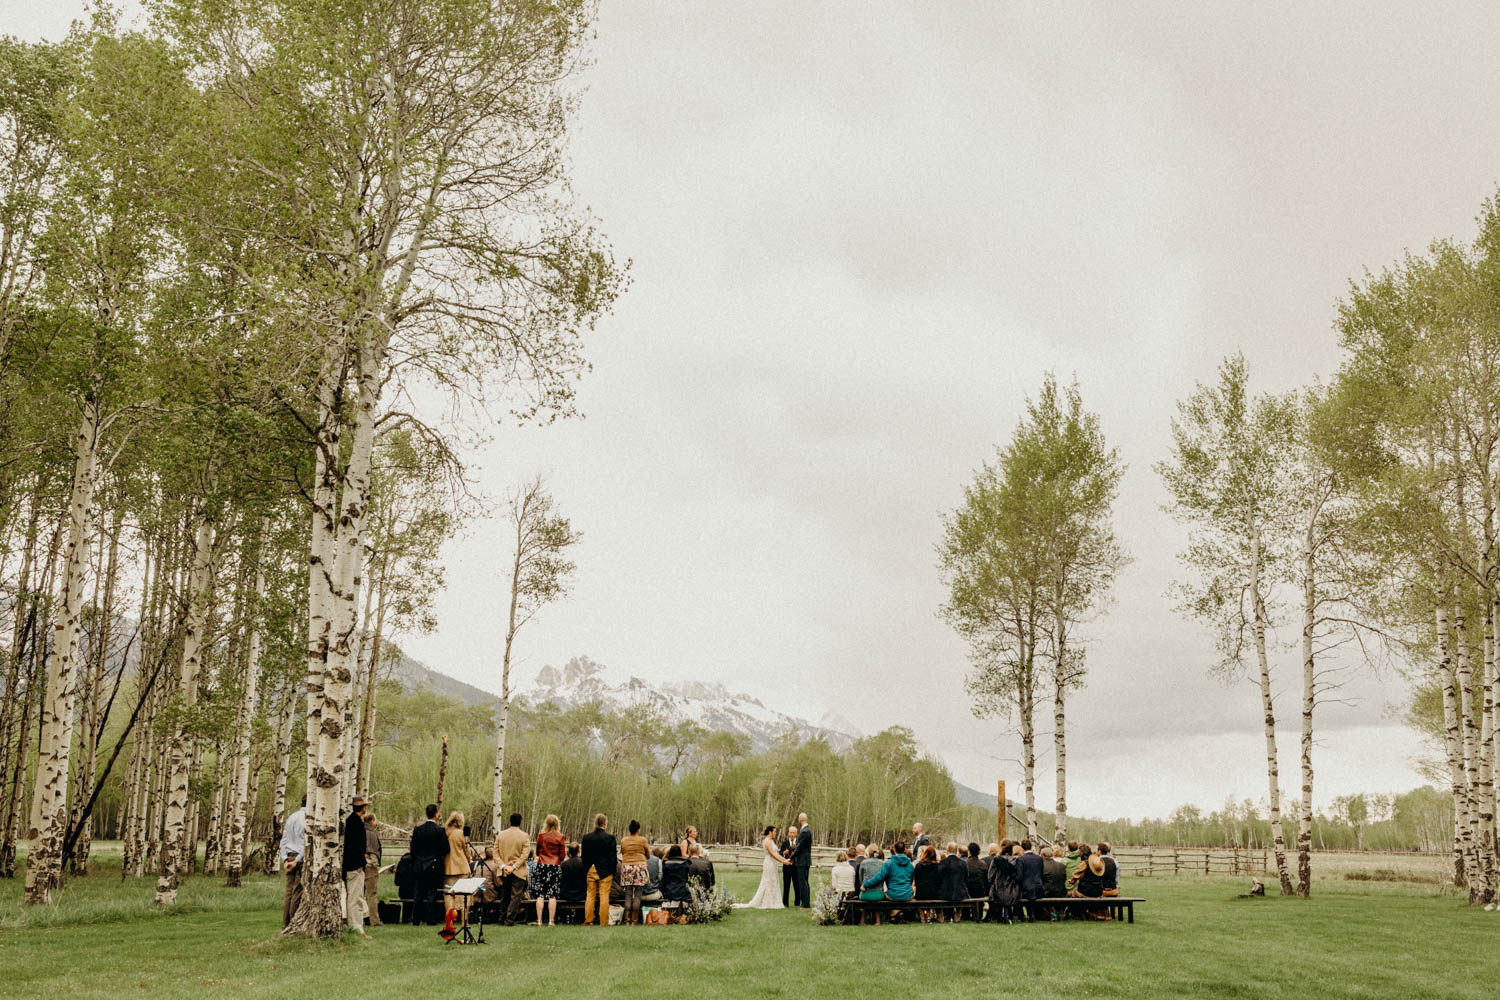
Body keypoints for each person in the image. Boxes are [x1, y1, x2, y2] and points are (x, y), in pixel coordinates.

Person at [408, 803, 449, 925]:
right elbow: (445, 848)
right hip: (433, 865)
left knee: (418, 892)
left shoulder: (418, 830)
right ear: (436, 814)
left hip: (420, 864)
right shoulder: (440, 831)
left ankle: (416, 919)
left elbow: (413, 849)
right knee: (432, 892)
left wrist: (416, 861)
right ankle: (430, 918)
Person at [493, 811, 531, 927]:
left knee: (505, 895)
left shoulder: (501, 835)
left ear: (510, 821)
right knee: (515, 896)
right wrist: (514, 867)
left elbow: (495, 853)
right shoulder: (524, 836)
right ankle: (509, 920)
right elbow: (525, 855)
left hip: (504, 870)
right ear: (520, 822)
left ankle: (502, 917)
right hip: (518, 871)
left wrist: (503, 866)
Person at [342, 796, 371, 937]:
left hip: (352, 865)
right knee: (355, 897)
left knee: (355, 896)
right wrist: (359, 863)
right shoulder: (355, 823)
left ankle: (356, 925)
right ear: (363, 807)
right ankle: (356, 927)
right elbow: (354, 846)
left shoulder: (352, 821)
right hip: (354, 866)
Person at [581, 813, 617, 926]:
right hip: (605, 871)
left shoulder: (586, 837)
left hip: (591, 868)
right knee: (604, 896)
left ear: (595, 823)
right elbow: (613, 858)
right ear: (605, 824)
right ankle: (603, 922)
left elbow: (584, 856)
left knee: (590, 895)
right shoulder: (610, 838)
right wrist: (612, 871)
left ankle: (588, 920)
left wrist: (587, 868)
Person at [532, 814, 566, 927]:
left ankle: (539, 920)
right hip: (554, 865)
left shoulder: (541, 836)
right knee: (553, 895)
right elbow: (562, 855)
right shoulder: (560, 836)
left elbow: (537, 852)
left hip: (542, 865)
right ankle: (551, 921)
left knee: (540, 894)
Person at [279, 795, 307, 927]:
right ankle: (293, 924)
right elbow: (307, 843)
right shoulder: (308, 819)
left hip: (289, 855)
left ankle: (286, 923)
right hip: (299, 857)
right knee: (297, 892)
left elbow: (283, 840)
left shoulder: (292, 817)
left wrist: (285, 859)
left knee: (289, 892)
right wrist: (297, 860)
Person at [748, 825, 791, 908]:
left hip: (773, 864)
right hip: (769, 864)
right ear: (770, 832)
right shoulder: (767, 841)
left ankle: (774, 901)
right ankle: (767, 902)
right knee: (768, 881)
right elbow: (772, 854)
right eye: (775, 831)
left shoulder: (771, 841)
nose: (775, 833)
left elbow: (776, 854)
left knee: (774, 880)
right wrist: (784, 862)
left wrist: (785, 860)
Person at [619, 819, 651, 925]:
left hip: (627, 867)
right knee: (637, 894)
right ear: (638, 830)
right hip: (640, 867)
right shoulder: (642, 840)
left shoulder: (624, 840)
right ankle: (634, 920)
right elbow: (648, 854)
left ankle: (627, 920)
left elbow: (622, 853)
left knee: (628, 894)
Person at [443, 811, 470, 923]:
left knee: (449, 896)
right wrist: (469, 860)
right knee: (464, 896)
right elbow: (466, 850)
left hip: (448, 867)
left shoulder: (445, 832)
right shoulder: (461, 833)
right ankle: (464, 921)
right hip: (462, 867)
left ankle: (450, 922)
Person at [987, 841, 1020, 923]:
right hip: (1012, 891)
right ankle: (1010, 917)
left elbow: (990, 876)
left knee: (994, 894)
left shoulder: (996, 860)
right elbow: (1017, 876)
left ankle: (998, 917)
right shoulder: (1015, 861)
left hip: (998, 890)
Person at [1016, 839, 1045, 921]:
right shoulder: (1039, 858)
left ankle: (1023, 916)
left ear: (1022, 848)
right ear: (1031, 847)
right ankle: (1032, 914)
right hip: (1038, 887)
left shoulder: (1020, 859)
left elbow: (1019, 876)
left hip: (1025, 888)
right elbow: (1041, 873)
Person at [362, 811, 383, 927]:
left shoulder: (359, 831)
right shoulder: (371, 833)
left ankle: (359, 918)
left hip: (359, 866)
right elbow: (373, 851)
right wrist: (374, 864)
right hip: (370, 866)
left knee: (359, 893)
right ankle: (374, 920)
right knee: (372, 894)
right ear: (372, 821)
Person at [791, 812, 813, 908]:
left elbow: (800, 847)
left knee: (802, 882)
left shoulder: (805, 831)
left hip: (802, 861)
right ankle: (805, 902)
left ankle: (805, 904)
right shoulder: (807, 830)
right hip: (805, 860)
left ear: (800, 820)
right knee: (805, 882)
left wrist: (791, 857)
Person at [559, 842, 588, 913]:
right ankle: (579, 916)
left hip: (566, 894)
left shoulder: (563, 864)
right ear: (579, 850)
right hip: (581, 894)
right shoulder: (584, 864)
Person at [779, 823, 797, 906]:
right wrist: (784, 853)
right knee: (786, 886)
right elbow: (779, 854)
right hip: (786, 868)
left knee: (797, 886)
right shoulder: (784, 843)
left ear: (796, 833)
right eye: (791, 832)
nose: (792, 834)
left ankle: (797, 903)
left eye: (794, 832)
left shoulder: (799, 843)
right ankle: (785, 903)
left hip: (796, 867)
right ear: (788, 833)